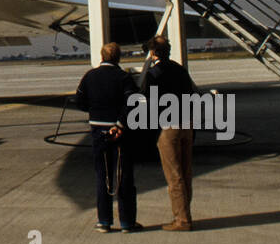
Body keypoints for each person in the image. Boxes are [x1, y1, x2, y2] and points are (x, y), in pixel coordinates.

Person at [75, 42, 142, 233]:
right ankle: (127, 223)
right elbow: (134, 103)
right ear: (118, 58)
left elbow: (80, 101)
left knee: (102, 177)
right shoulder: (124, 77)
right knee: (124, 178)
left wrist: (95, 112)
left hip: (98, 132)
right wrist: (120, 124)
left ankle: (104, 221)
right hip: (120, 133)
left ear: (101, 56)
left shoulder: (90, 76)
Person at [139, 35, 196, 231]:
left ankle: (182, 220)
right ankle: (185, 213)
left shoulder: (154, 74)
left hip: (168, 126)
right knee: (186, 172)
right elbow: (192, 94)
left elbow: (149, 101)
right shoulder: (180, 70)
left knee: (174, 176)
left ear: (153, 52)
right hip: (186, 124)